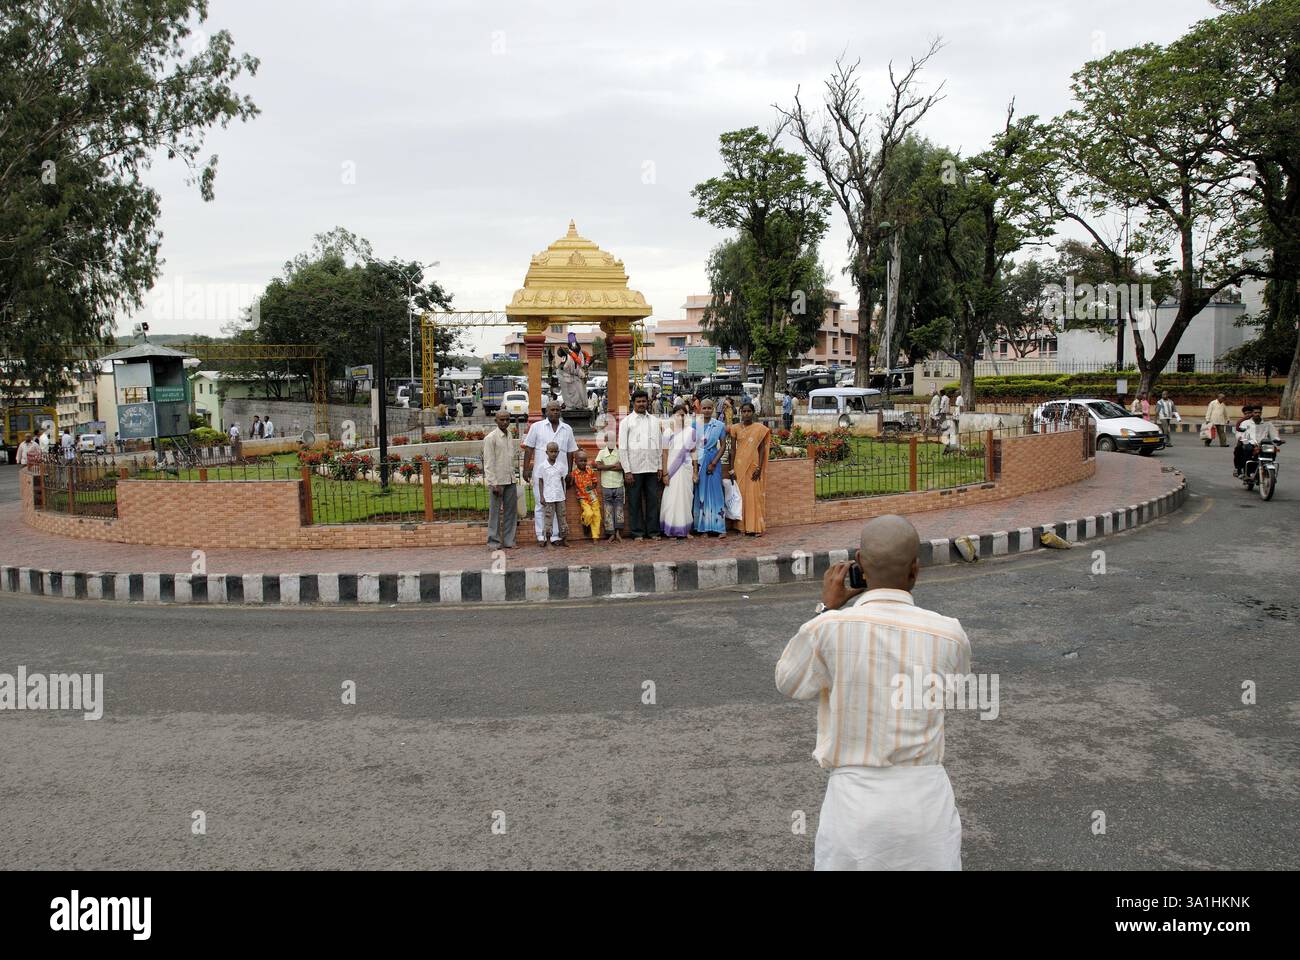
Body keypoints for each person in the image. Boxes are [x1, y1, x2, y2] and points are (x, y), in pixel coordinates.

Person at [775, 515, 970, 871]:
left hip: (853, 808)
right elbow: (952, 692)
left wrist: (825, 609)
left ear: (859, 564)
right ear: (915, 570)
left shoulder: (828, 629)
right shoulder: (949, 634)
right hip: (925, 807)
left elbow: (789, 681)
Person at [523, 400, 579, 545]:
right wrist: (525, 469)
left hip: (559, 477)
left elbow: (570, 452)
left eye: (557, 410)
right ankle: (541, 536)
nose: (555, 412)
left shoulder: (567, 429)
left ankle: (554, 536)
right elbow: (528, 449)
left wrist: (569, 472)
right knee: (541, 505)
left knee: (557, 506)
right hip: (541, 475)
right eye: (552, 410)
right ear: (546, 412)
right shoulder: (536, 427)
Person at [619, 389, 666, 541]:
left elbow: (659, 445)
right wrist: (627, 470)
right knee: (634, 502)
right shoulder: (626, 422)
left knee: (653, 500)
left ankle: (653, 532)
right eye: (638, 401)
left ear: (648, 402)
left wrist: (659, 466)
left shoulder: (654, 421)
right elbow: (623, 447)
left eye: (644, 401)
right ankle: (637, 532)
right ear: (633, 403)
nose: (641, 404)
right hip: (634, 469)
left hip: (652, 467)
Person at [728, 400, 770, 537]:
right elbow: (732, 450)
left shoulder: (759, 428)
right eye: (744, 411)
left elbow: (762, 448)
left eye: (749, 411)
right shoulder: (735, 428)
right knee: (741, 496)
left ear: (753, 413)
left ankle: (755, 527)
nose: (746, 414)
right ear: (740, 413)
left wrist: (759, 467)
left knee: (753, 496)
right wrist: (731, 469)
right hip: (739, 465)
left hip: (753, 465)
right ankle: (741, 527)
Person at [483, 409, 518, 550]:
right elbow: (488, 462)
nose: (505, 422)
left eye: (507, 419)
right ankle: (493, 542)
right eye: (501, 419)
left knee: (511, 512)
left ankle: (509, 541)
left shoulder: (509, 435)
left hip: (510, 479)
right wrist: (493, 483)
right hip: (497, 482)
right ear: (496, 421)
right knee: (495, 513)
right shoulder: (490, 438)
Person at [659, 402, 696, 539]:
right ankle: (671, 530)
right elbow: (664, 454)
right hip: (672, 470)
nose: (680, 417)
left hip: (686, 469)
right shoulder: (668, 433)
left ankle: (685, 530)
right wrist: (665, 473)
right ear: (673, 416)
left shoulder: (691, 432)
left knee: (686, 499)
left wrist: (696, 471)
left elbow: (694, 453)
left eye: (683, 415)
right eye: (678, 415)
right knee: (672, 499)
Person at [692, 398, 728, 537]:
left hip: (714, 460)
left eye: (709, 408)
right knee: (701, 494)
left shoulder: (719, 425)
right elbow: (693, 448)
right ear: (700, 409)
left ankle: (719, 528)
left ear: (713, 409)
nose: (707, 410)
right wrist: (695, 468)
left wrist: (714, 462)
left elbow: (723, 445)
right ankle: (703, 528)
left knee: (716, 493)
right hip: (700, 462)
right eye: (704, 408)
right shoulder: (695, 425)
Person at [594, 427, 625, 542]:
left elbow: (622, 466)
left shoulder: (620, 452)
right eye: (608, 440)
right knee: (608, 510)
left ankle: (617, 533)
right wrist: (613, 466)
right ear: (605, 441)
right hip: (606, 485)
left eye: (613, 439)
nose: (611, 442)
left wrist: (606, 467)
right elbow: (598, 466)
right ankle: (610, 533)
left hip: (619, 485)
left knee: (619, 509)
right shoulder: (601, 452)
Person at [535, 441, 569, 548]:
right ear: (547, 452)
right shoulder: (542, 467)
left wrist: (564, 494)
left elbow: (563, 480)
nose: (554, 454)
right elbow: (540, 481)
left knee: (562, 518)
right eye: (551, 451)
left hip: (560, 496)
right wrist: (541, 496)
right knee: (548, 519)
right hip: (548, 497)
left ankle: (564, 539)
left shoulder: (561, 466)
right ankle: (548, 541)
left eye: (555, 451)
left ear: (558, 452)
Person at [1236, 406, 1283, 478]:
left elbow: (1273, 435)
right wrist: (1242, 439)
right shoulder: (1245, 423)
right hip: (1250, 443)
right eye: (1255, 412)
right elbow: (1240, 434)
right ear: (1252, 413)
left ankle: (1269, 466)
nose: (1257, 414)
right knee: (1247, 450)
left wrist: (1278, 440)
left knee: (1273, 449)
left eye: (1259, 412)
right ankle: (1248, 472)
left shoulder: (1268, 424)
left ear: (1261, 413)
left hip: (1263, 444)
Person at [570, 449, 602, 541]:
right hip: (583, 498)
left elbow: (595, 482)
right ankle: (585, 523)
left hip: (592, 496)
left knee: (597, 515)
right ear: (575, 462)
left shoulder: (590, 471)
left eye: (585, 460)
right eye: (581, 461)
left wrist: (592, 487)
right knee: (588, 513)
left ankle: (595, 536)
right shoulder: (574, 474)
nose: (583, 463)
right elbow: (570, 484)